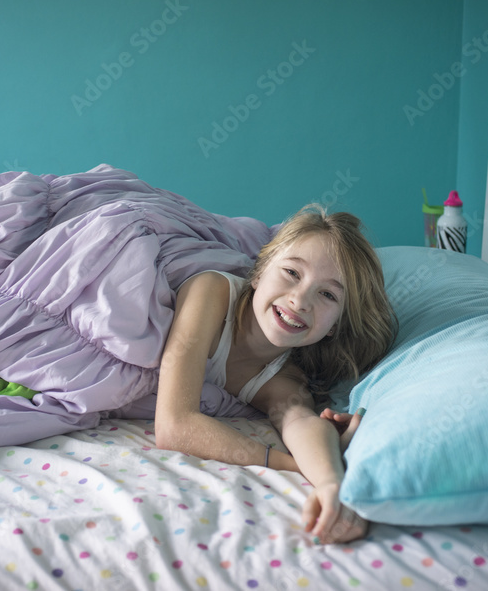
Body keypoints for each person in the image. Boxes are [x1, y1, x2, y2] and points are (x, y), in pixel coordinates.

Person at [154, 203, 396, 545]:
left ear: (334, 327)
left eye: (327, 294)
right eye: (292, 273)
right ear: (258, 273)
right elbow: (174, 426)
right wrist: (295, 466)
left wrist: (329, 482)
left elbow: (301, 422)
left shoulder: (282, 377)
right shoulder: (212, 292)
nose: (300, 300)